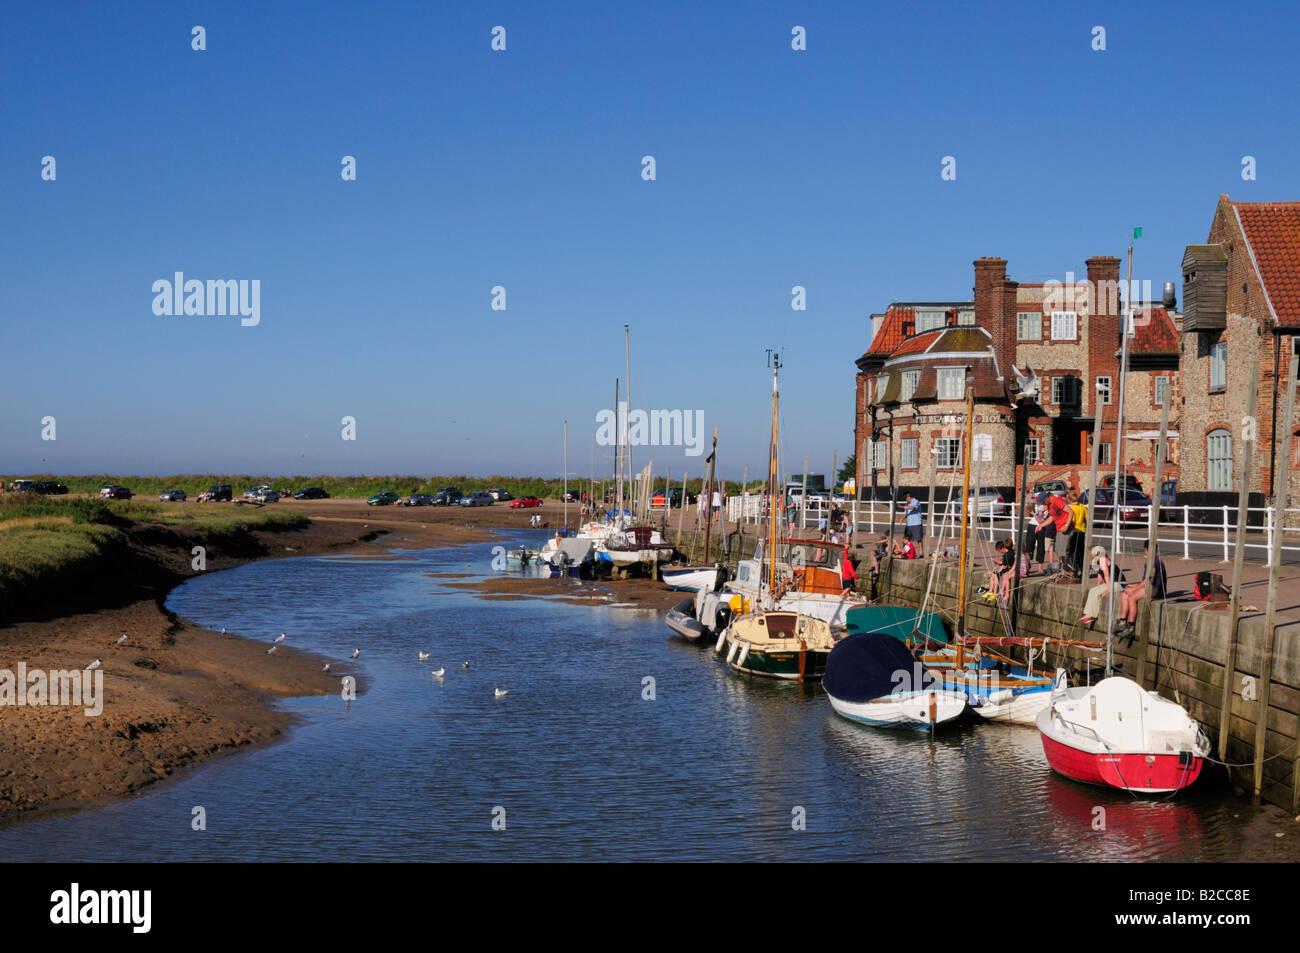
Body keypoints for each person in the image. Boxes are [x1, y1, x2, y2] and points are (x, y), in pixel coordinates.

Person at [1117, 542, 1167, 635]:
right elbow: (1145, 581)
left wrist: (1134, 590)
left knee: (1132, 597)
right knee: (1124, 594)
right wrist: (1134, 587)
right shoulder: (1152, 561)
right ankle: (1122, 621)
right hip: (1150, 587)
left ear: (1145, 550)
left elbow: (1148, 579)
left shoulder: (1153, 562)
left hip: (1156, 590)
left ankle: (1131, 626)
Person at [1079, 545, 1117, 625]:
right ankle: (1090, 614)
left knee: (1094, 591)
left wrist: (1108, 590)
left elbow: (1106, 575)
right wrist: (1098, 586)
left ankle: (1091, 615)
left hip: (1118, 583)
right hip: (1112, 582)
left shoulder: (1103, 559)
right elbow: (1100, 576)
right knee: (1094, 590)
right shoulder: (1100, 560)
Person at [1049, 489, 1073, 573]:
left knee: (1064, 550)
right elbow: (1052, 517)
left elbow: (1070, 511)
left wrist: (1066, 525)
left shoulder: (1057, 500)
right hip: (1059, 528)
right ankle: (1062, 569)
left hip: (1065, 528)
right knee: (1058, 549)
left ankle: (1068, 570)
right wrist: (1041, 525)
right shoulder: (1050, 505)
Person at [1068, 491, 1088, 574]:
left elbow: (1071, 521)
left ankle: (1075, 569)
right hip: (1082, 531)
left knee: (1073, 551)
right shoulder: (1083, 507)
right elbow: (1086, 519)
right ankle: (1082, 569)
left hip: (1074, 531)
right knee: (1081, 551)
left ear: (1070, 500)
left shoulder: (1071, 509)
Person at [901, 492, 924, 556]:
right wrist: (902, 518)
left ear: (908, 497)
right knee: (906, 539)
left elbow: (912, 508)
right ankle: (905, 552)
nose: (905, 500)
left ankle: (921, 552)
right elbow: (906, 513)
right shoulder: (907, 503)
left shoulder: (916, 501)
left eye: (905, 498)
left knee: (918, 538)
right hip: (909, 524)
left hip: (916, 523)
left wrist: (901, 506)